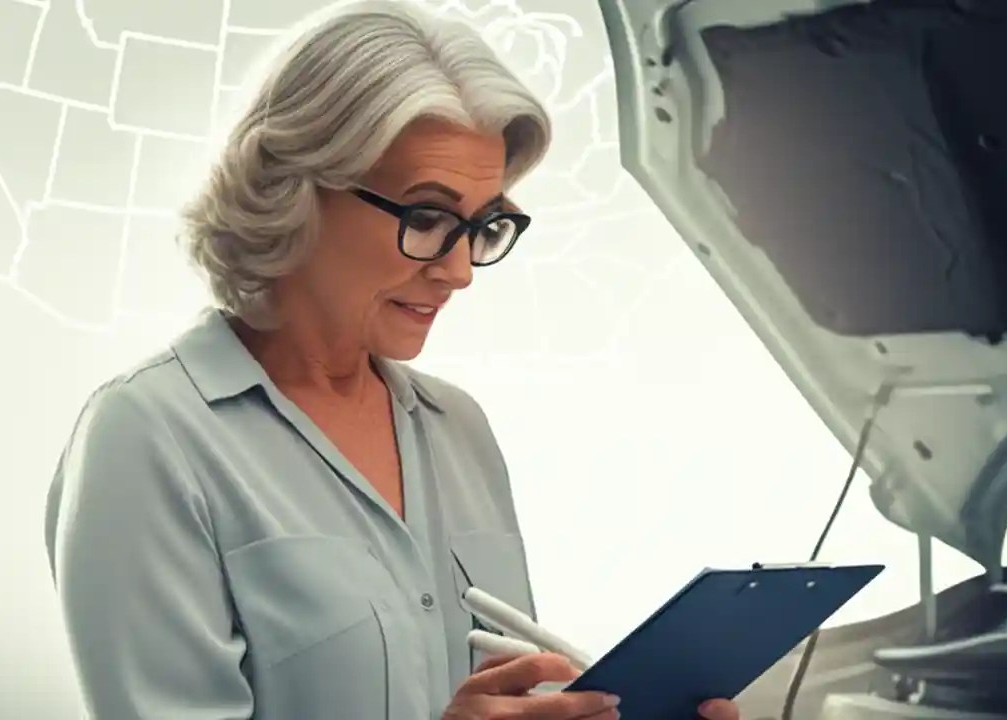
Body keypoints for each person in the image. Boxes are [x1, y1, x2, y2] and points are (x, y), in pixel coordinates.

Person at [44, 2, 740, 719]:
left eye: (482, 225)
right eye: (429, 217)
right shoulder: (146, 439)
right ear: (292, 190)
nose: (461, 270)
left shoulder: (458, 428)